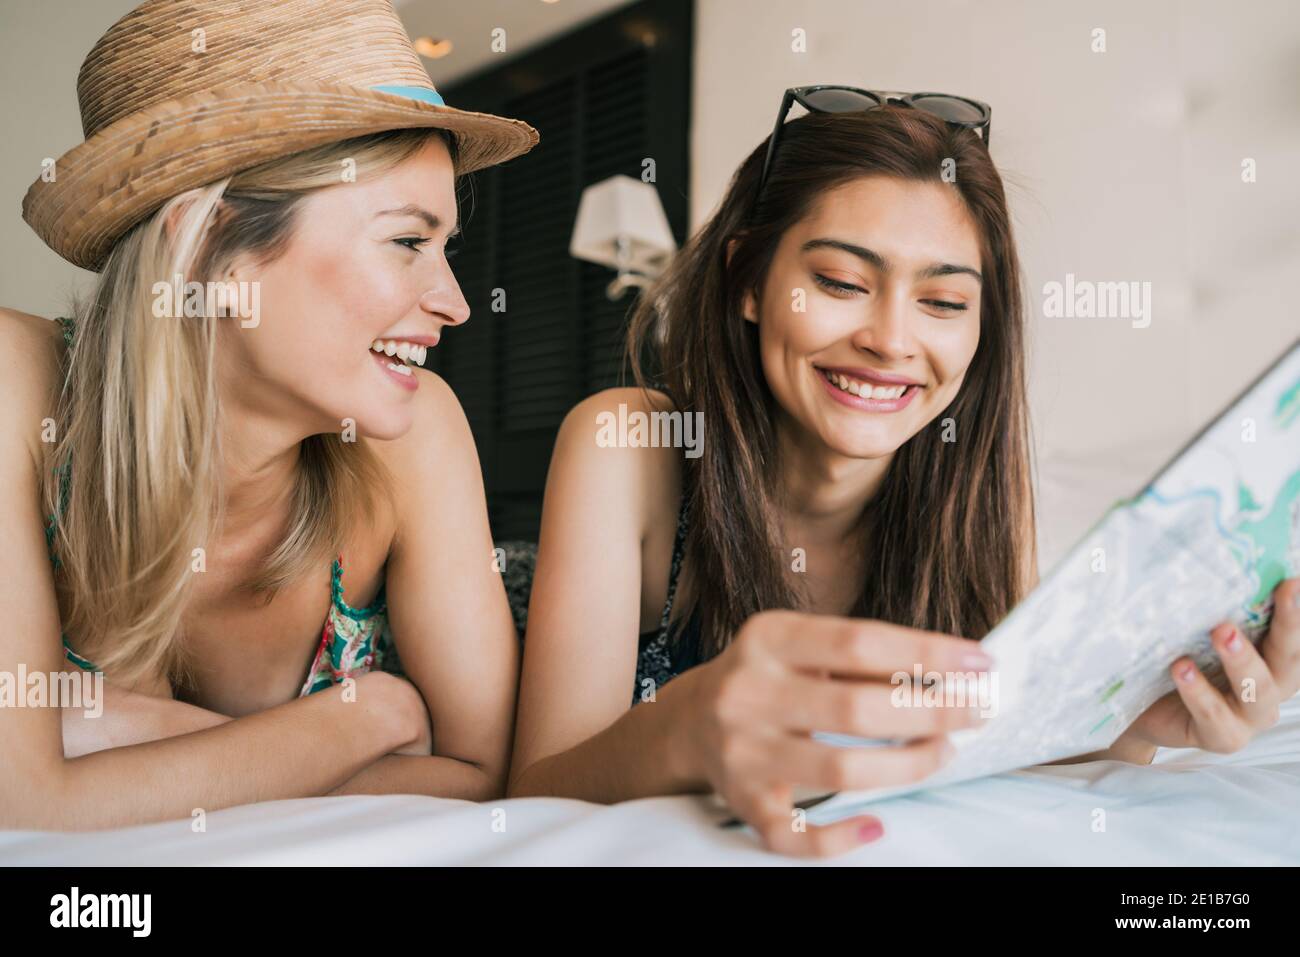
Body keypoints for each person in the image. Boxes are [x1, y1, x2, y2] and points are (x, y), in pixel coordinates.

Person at [508, 91, 1300, 857]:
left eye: (944, 301)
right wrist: (681, 728)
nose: (891, 339)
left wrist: (1142, 723)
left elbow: (980, 752)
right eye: (842, 283)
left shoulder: (978, 486)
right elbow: (531, 795)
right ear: (749, 281)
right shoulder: (629, 444)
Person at [1, 0, 537, 829]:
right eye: (405, 241)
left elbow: (483, 783)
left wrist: (105, 732)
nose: (456, 303)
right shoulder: (13, 385)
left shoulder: (418, 432)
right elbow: (24, 803)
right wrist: (367, 720)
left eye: (446, 248)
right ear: (207, 251)